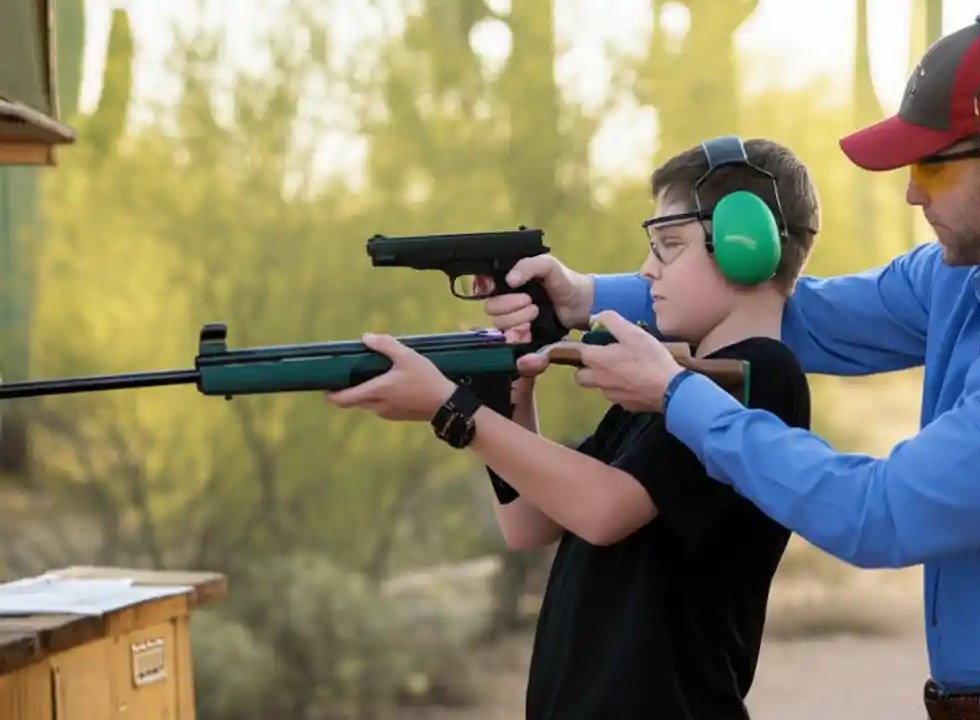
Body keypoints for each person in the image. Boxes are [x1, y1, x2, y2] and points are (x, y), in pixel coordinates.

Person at [482, 11, 980, 720]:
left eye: (933, 165)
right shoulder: (959, 279)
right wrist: (582, 296)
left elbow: (880, 515)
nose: (913, 193)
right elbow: (792, 305)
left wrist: (677, 396)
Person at [328, 136, 821, 719]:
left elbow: (604, 510)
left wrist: (453, 411)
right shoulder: (664, 381)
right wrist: (510, 401)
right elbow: (529, 522)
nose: (646, 268)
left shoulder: (759, 374)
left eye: (669, 245)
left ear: (746, 247)